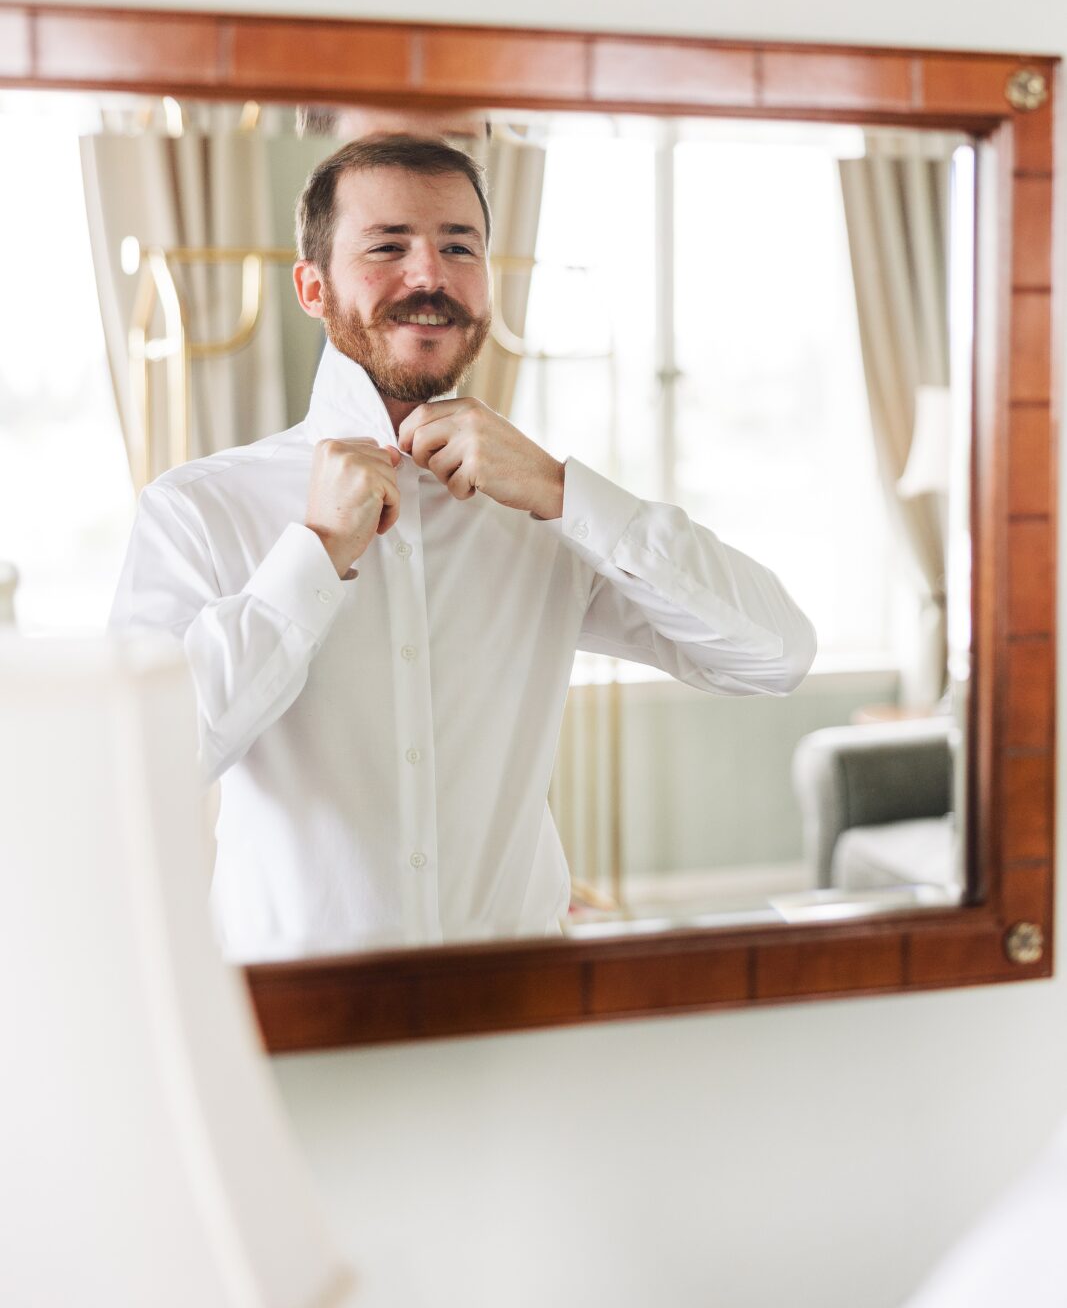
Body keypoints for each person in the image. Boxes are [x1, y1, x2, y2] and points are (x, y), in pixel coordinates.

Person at [110, 134, 817, 962]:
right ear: (312, 286)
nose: (429, 277)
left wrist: (564, 493)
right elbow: (136, 770)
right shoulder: (199, 508)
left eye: (458, 247)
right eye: (387, 247)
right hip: (296, 1031)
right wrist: (313, 556)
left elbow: (776, 654)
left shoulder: (545, 513)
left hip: (517, 1013)